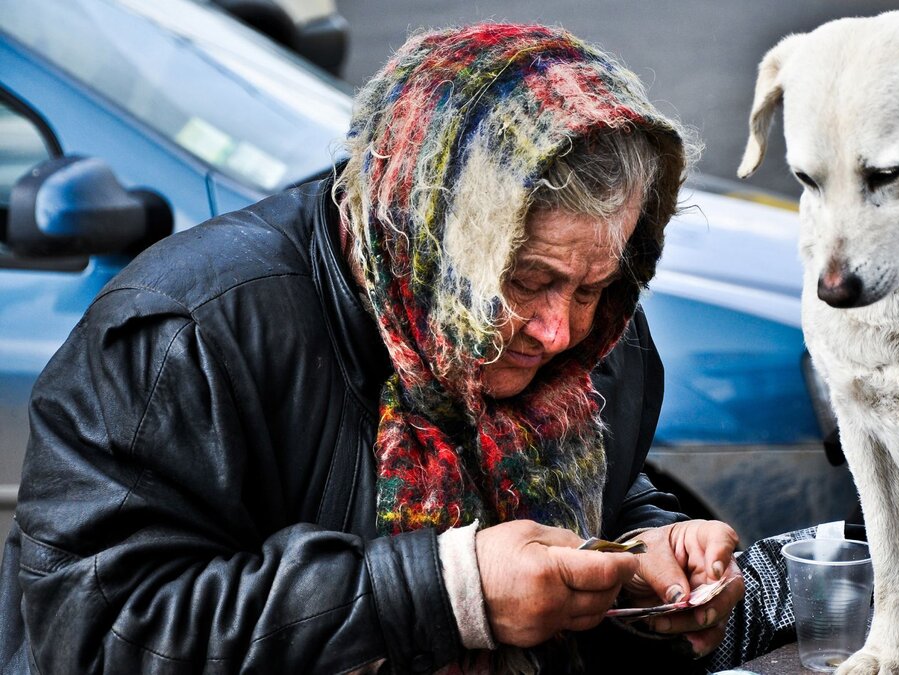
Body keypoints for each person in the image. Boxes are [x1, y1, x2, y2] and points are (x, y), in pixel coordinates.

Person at [0, 24, 744, 674]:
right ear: (423, 238)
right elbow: (98, 634)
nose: (560, 329)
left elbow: (592, 483)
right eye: (526, 279)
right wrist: (450, 592)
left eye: (591, 286)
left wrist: (644, 552)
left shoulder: (592, 332)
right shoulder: (189, 333)